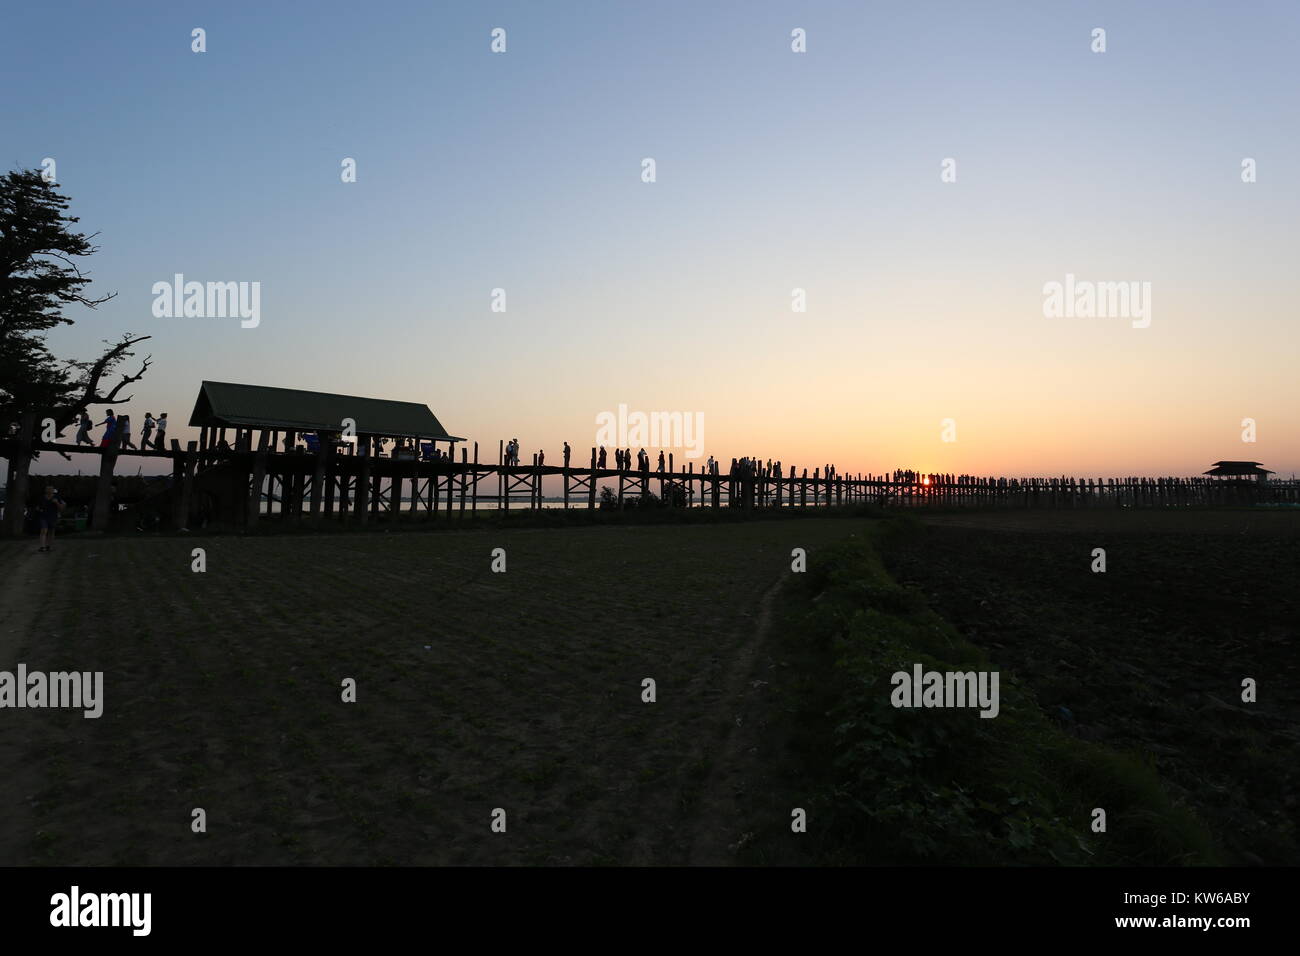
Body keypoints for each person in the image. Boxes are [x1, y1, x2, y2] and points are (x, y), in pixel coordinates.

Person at [37, 486, 64, 552]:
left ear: (53, 491)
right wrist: (39, 509)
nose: (49, 491)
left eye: (50, 490)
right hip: (44, 517)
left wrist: (56, 502)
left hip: (53, 517)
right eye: (48, 490)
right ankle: (42, 547)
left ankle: (48, 546)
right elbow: (38, 507)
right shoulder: (42, 498)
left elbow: (61, 508)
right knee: (44, 530)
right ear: (46, 490)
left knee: (51, 532)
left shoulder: (57, 497)